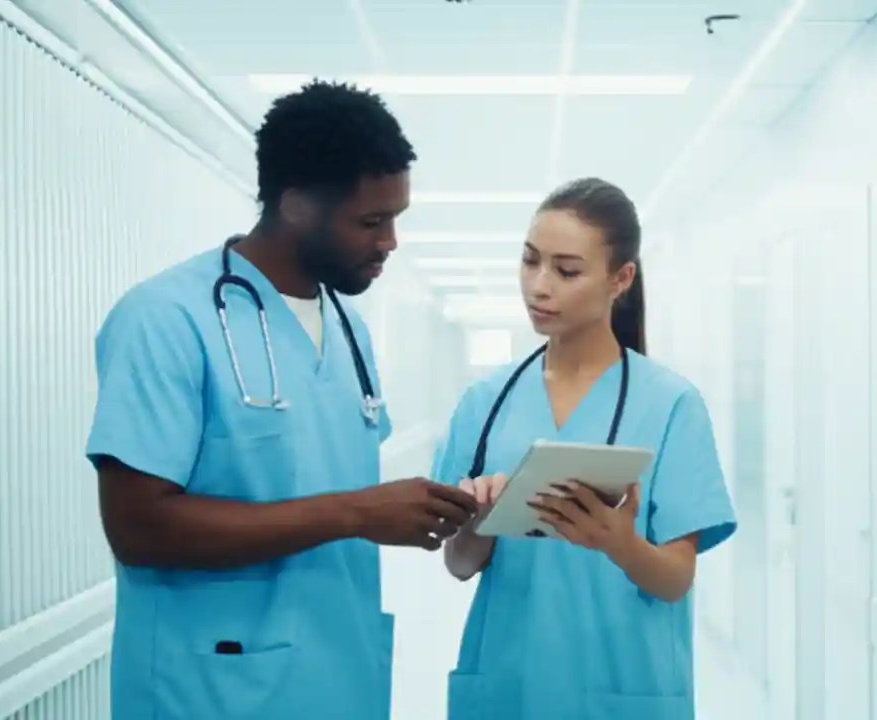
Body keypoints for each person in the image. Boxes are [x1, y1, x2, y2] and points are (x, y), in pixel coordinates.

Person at [84, 80, 477, 719]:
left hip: (337, 679)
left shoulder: (350, 334)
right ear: (296, 205)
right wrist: (355, 513)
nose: (390, 242)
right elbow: (137, 526)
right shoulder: (165, 319)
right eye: (371, 221)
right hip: (211, 691)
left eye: (395, 219)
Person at [432, 177, 738, 719]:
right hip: (509, 685)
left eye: (566, 270)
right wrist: (477, 520)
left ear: (620, 279)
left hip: (621, 687)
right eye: (530, 261)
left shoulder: (670, 404)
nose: (538, 286)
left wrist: (619, 542)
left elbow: (675, 579)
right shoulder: (485, 403)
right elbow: (458, 565)